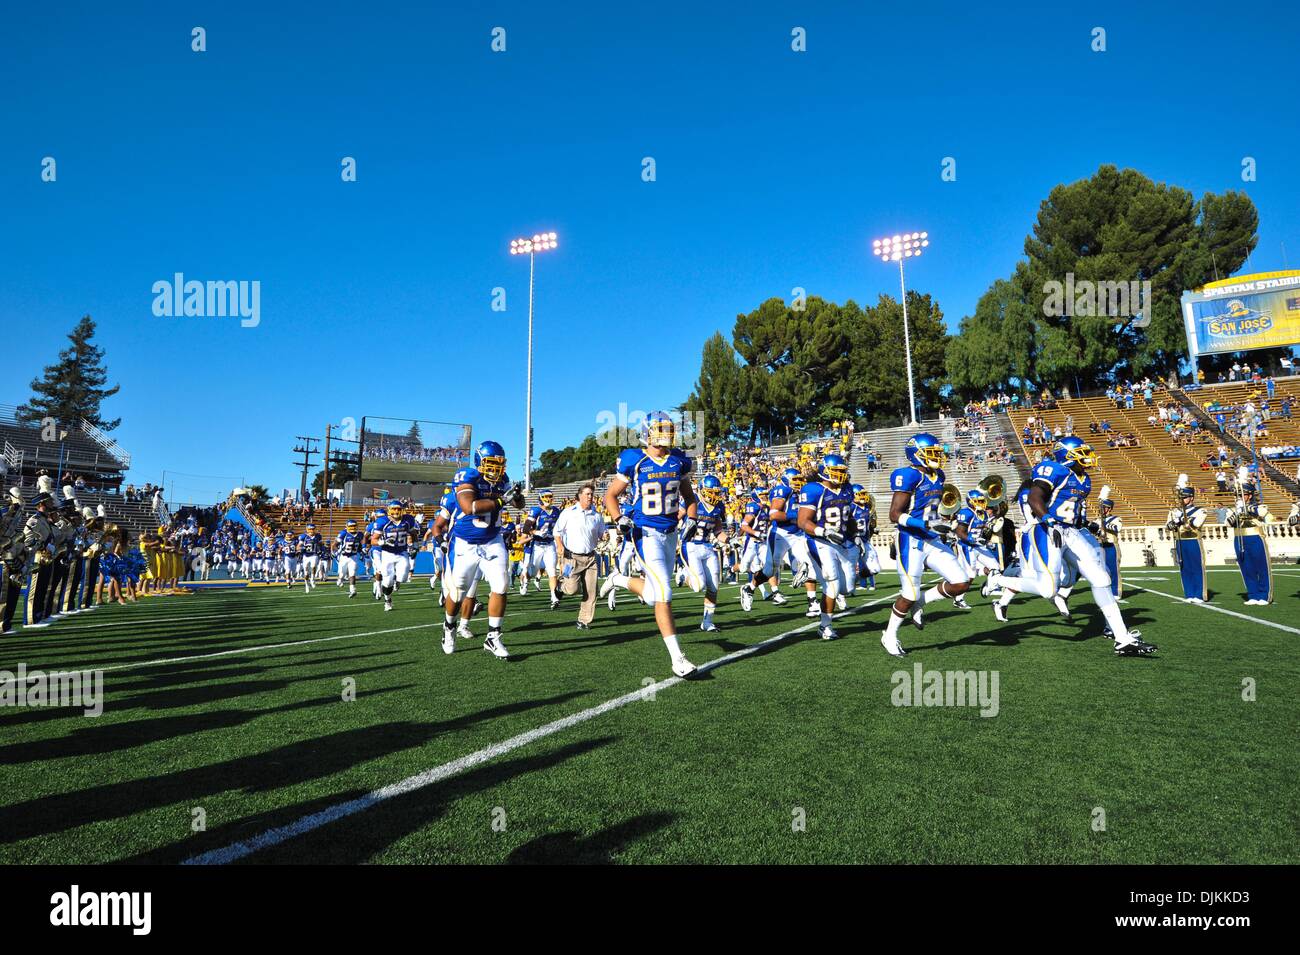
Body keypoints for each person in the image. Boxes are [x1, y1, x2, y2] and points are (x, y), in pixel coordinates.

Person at [598, 411, 701, 677]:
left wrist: (691, 518)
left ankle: (619, 580)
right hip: (645, 532)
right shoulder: (635, 460)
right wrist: (619, 518)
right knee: (665, 593)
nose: (666, 434)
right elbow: (610, 496)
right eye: (660, 429)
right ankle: (678, 658)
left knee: (655, 595)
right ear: (647, 432)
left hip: (670, 533)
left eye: (669, 429)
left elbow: (689, 498)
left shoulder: (679, 460)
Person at [880, 434, 971, 657]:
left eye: (937, 452)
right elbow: (894, 514)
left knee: (961, 583)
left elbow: (931, 509)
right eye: (931, 452)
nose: (937, 457)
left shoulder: (938, 474)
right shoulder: (908, 475)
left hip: (930, 538)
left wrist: (944, 523)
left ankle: (921, 602)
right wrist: (926, 524)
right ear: (916, 454)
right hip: (910, 538)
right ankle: (889, 635)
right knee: (908, 594)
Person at [447, 440, 525, 657]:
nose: (495, 469)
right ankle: (449, 626)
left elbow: (520, 505)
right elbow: (469, 507)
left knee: (501, 585)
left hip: (493, 540)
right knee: (459, 590)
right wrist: (502, 501)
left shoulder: (504, 480)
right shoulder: (467, 476)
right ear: (479, 461)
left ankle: (493, 637)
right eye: (490, 463)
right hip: (466, 542)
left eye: (499, 464)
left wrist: (516, 496)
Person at [554, 483, 606, 630]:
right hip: (571, 557)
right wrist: (559, 545)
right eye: (587, 494)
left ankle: (583, 620)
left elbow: (601, 533)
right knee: (572, 589)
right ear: (579, 495)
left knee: (591, 591)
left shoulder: (596, 516)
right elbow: (557, 532)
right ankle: (560, 585)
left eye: (591, 494)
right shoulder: (568, 512)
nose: (590, 497)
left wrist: (605, 535)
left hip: (590, 558)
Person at [1167, 475, 1208, 603]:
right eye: (1181, 497)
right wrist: (1174, 522)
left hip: (1193, 540)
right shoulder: (1174, 511)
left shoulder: (1200, 510)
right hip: (1180, 541)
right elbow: (1168, 525)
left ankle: (1199, 594)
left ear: (1191, 497)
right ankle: (1189, 593)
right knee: (1184, 568)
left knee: (1196, 567)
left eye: (1184, 497)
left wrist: (1179, 519)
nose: (1182, 499)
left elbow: (1196, 524)